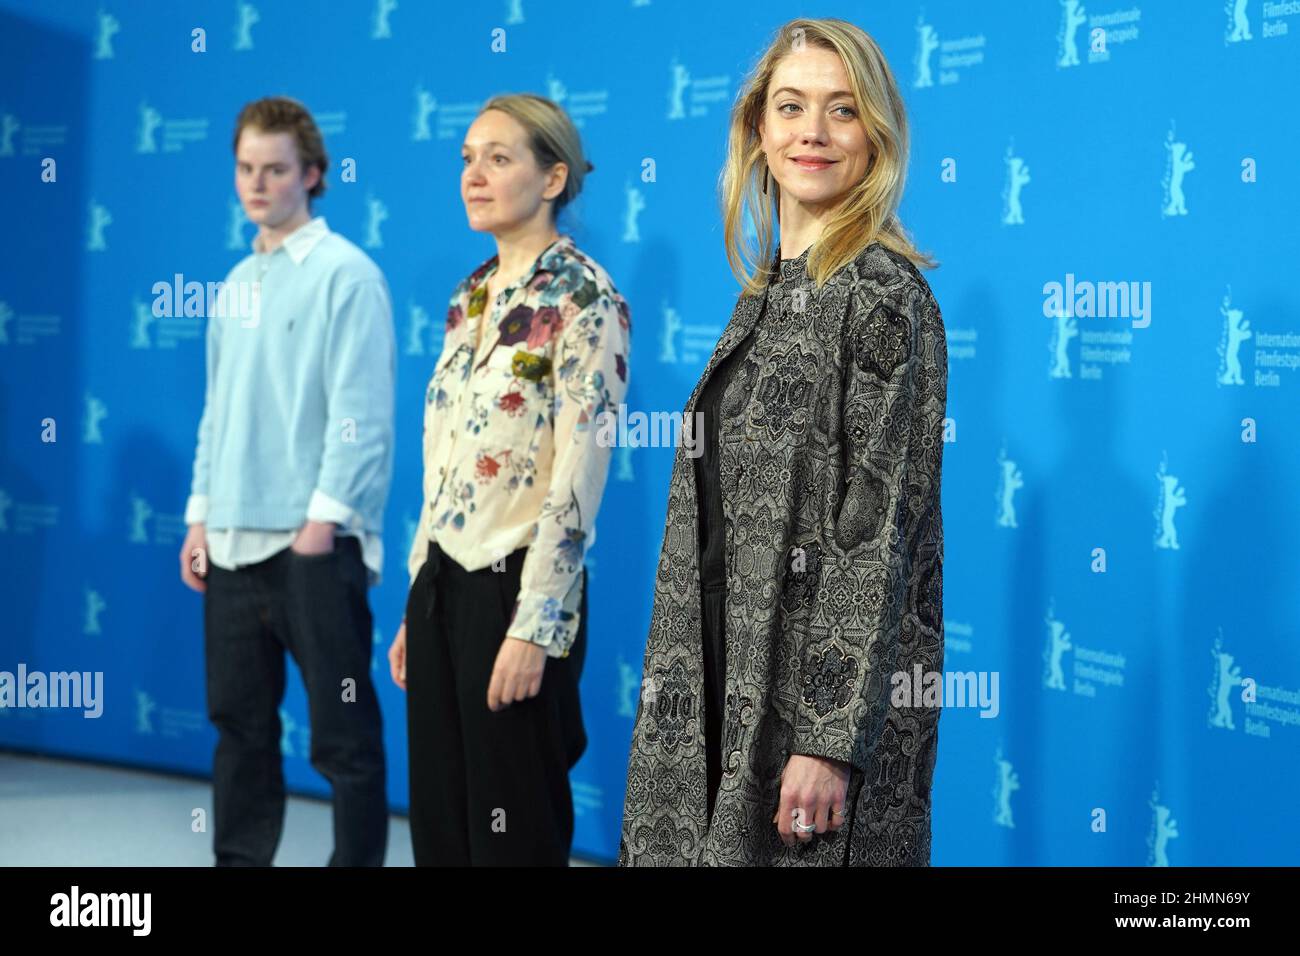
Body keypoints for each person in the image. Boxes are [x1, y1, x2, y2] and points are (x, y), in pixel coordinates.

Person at [618, 18, 947, 866]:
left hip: (805, 717)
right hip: (715, 685)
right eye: (791, 106)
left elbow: (876, 534)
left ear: (876, 136)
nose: (813, 132)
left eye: (842, 111)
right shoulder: (763, 294)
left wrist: (830, 740)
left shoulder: (882, 295)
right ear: (757, 133)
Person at [388, 93, 630, 866]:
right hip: (442, 591)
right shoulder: (468, 296)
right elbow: (444, 463)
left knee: (512, 834)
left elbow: (577, 477)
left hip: (518, 591)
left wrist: (534, 625)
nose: (473, 175)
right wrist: (416, 597)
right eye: (466, 158)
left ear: (553, 177)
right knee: (442, 830)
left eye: (498, 158)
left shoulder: (586, 298)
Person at [179, 96, 396, 867]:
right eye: (245, 168)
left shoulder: (348, 276)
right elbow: (217, 410)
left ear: (311, 174)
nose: (257, 183)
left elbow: (362, 416)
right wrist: (200, 517)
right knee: (240, 731)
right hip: (231, 547)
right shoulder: (235, 281)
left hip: (312, 550)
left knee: (344, 742)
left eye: (274, 169)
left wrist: (318, 528)